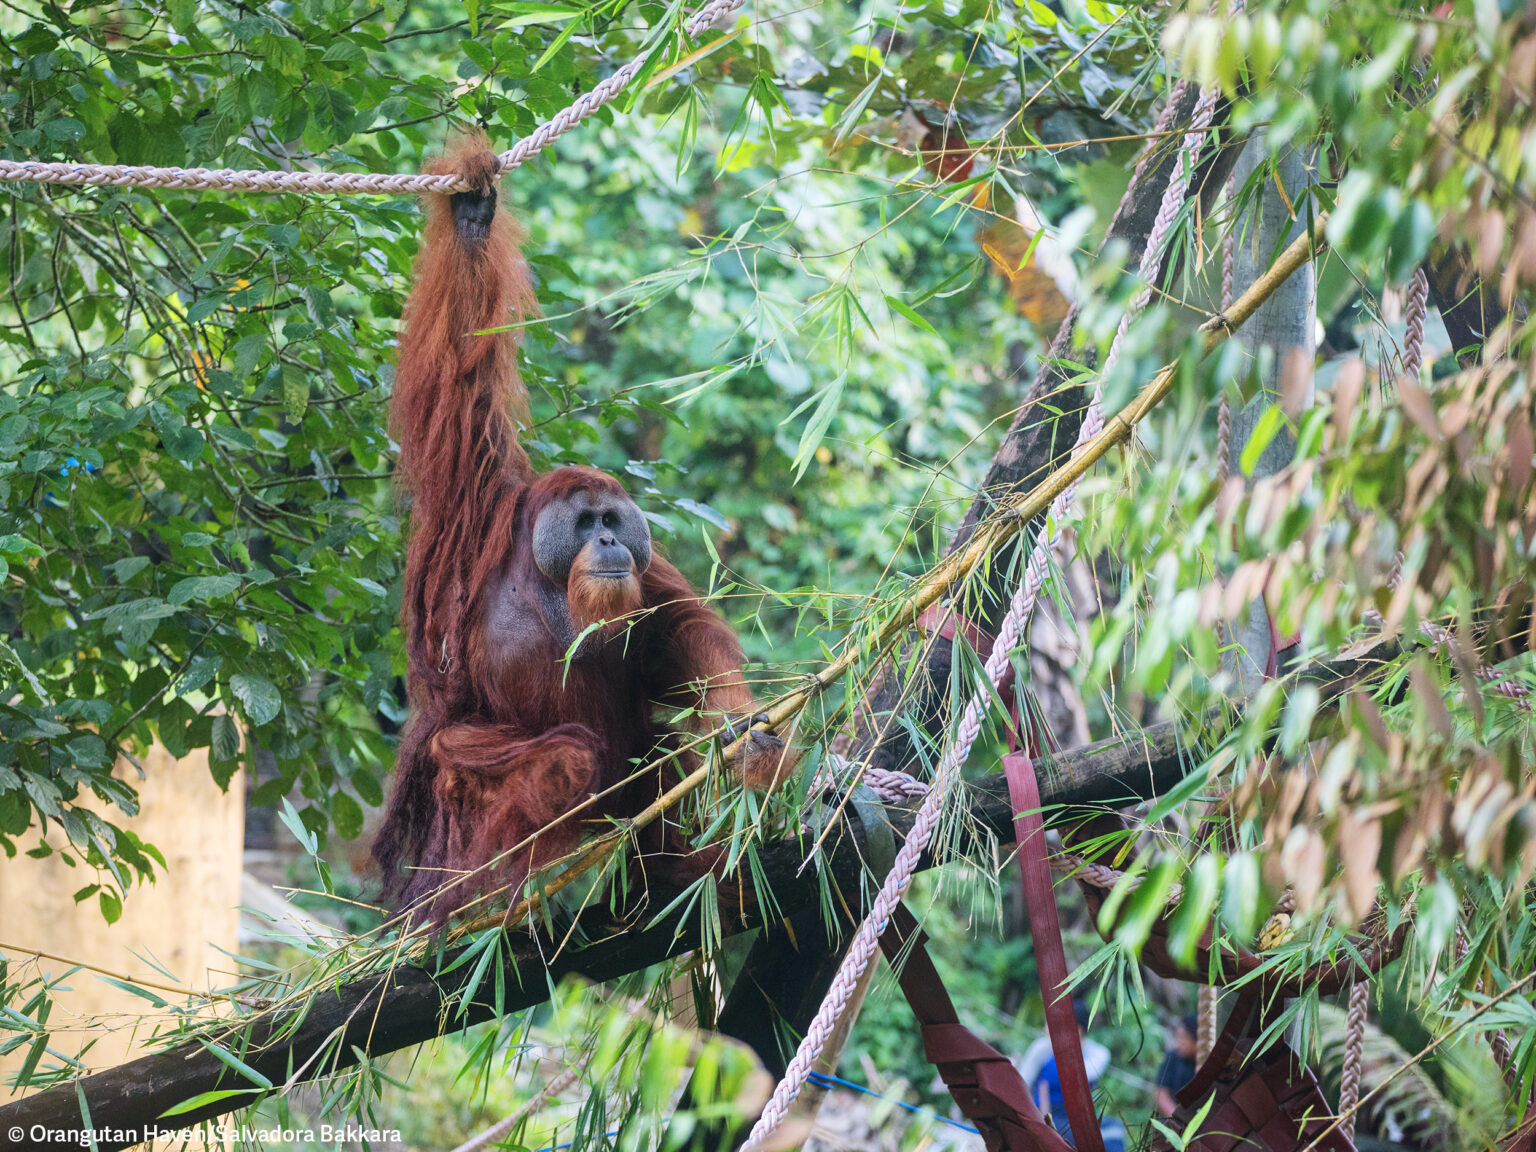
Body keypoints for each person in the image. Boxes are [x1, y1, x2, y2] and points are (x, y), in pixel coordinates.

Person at [1015, 998, 1112, 1143]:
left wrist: (1065, 1050)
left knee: (1114, 1130)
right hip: (1046, 1114)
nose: (1048, 1028)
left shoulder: (1097, 1053)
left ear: (1078, 1030)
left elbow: (1084, 1074)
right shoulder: (1042, 1048)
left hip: (1077, 1117)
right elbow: (1022, 1083)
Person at [1154, 1014, 1200, 1117]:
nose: (1179, 1041)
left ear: (1196, 1040)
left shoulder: (1204, 1061)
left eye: (1183, 1037)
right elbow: (1161, 1094)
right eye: (1177, 1036)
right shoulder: (1172, 1058)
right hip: (1175, 1119)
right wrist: (1177, 1120)